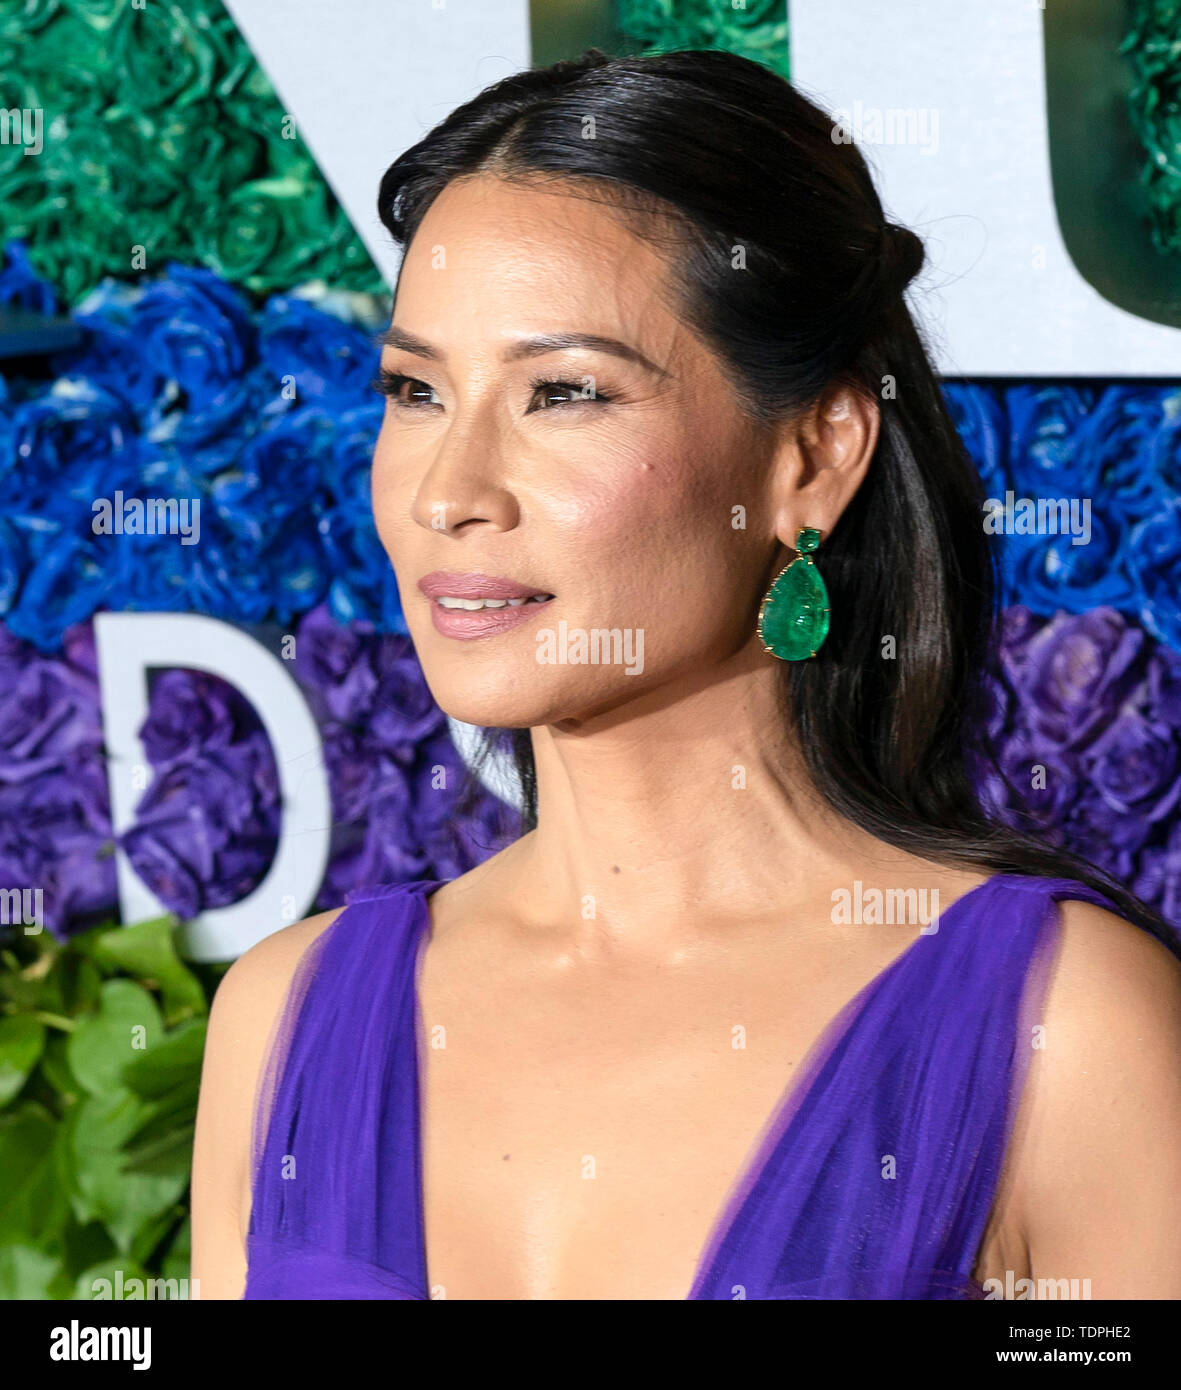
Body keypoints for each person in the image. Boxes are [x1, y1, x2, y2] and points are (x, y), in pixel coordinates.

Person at [191, 48, 1181, 1300]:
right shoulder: (284, 1018)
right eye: (413, 389)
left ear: (810, 457)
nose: (448, 493)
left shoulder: (1068, 1030)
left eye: (563, 392)